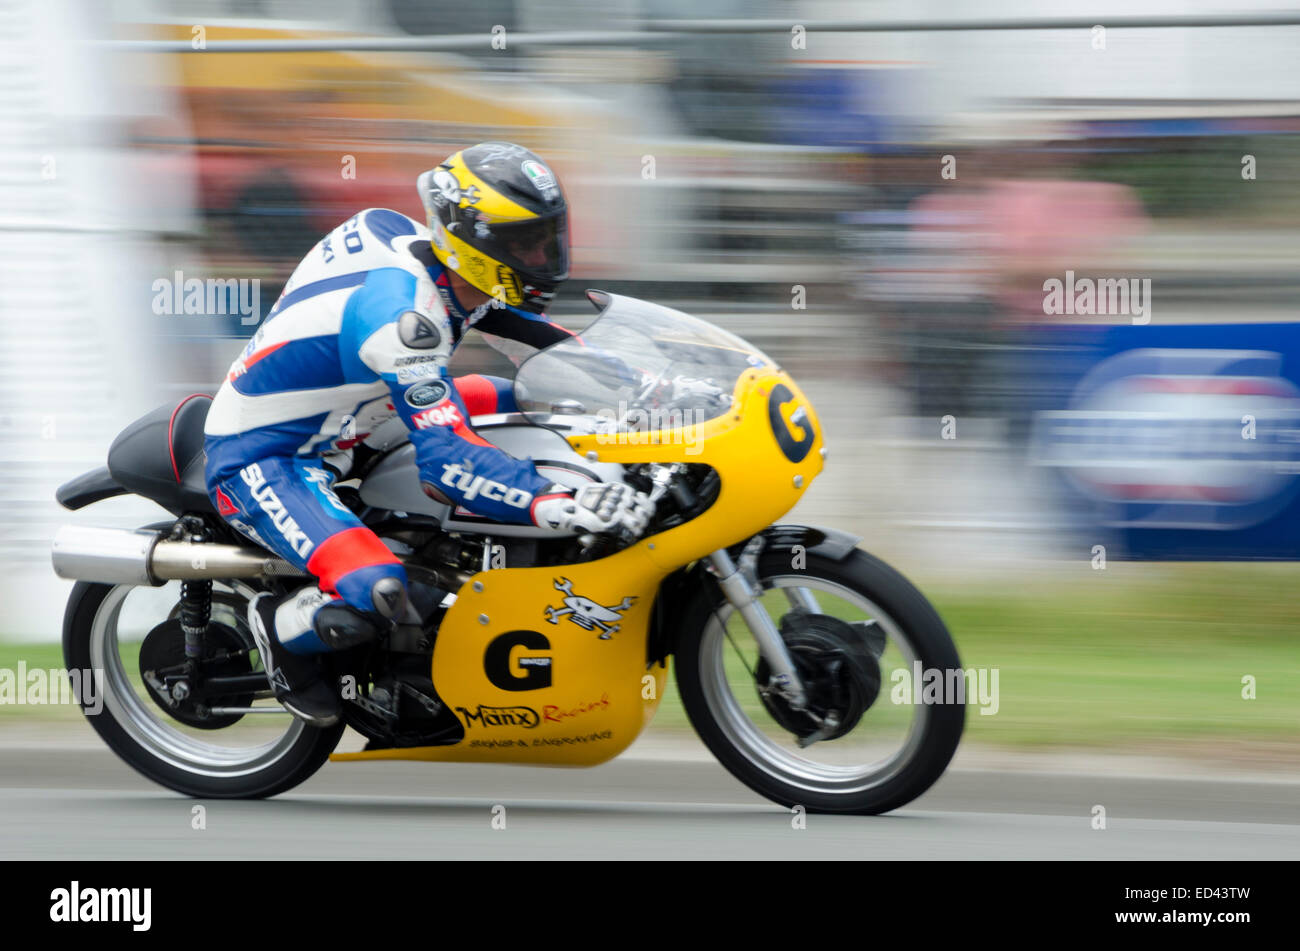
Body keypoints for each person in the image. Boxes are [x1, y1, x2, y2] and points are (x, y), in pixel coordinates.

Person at [203, 142, 653, 726]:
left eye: (546, 238)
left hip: (358, 418)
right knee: (380, 589)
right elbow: (447, 464)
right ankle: (280, 621)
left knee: (527, 397)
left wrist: (654, 392)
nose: (542, 256)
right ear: (472, 239)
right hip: (270, 453)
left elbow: (549, 352)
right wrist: (561, 503)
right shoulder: (403, 319)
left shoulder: (445, 264)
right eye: (522, 243)